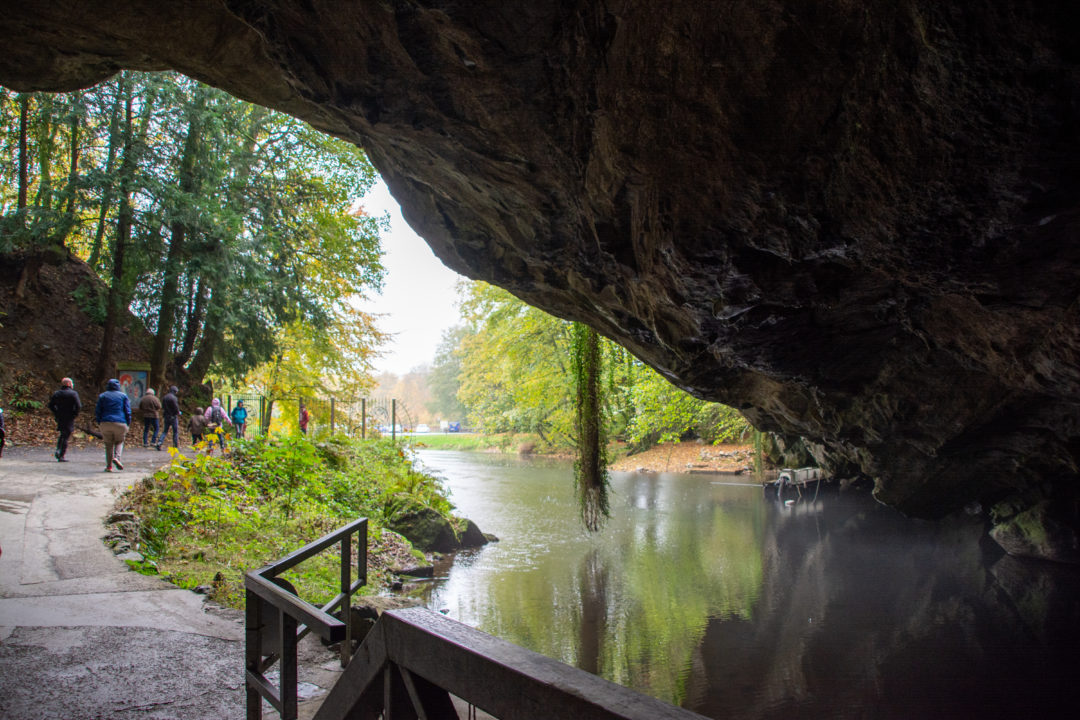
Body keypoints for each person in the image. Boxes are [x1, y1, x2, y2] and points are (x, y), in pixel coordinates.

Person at [94, 378, 131, 472]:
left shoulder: (102, 396)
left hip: (105, 422)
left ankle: (109, 466)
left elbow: (98, 410)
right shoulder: (123, 396)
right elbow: (127, 411)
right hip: (120, 422)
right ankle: (117, 458)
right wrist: (128, 422)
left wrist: (99, 421)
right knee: (119, 441)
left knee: (108, 444)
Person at [47, 377, 81, 462]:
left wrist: (56, 412)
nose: (73, 384)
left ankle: (59, 450)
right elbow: (78, 406)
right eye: (72, 383)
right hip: (69, 416)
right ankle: (61, 454)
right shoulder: (73, 394)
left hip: (60, 416)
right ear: (68, 384)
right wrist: (75, 414)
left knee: (63, 433)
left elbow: (51, 405)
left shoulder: (57, 393)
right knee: (66, 435)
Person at [158, 385, 181, 450]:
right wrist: (178, 412)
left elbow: (163, 407)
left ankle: (160, 442)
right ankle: (175, 445)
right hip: (173, 417)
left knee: (165, 431)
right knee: (175, 431)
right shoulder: (174, 398)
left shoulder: (165, 397)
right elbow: (176, 408)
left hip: (166, 416)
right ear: (175, 391)